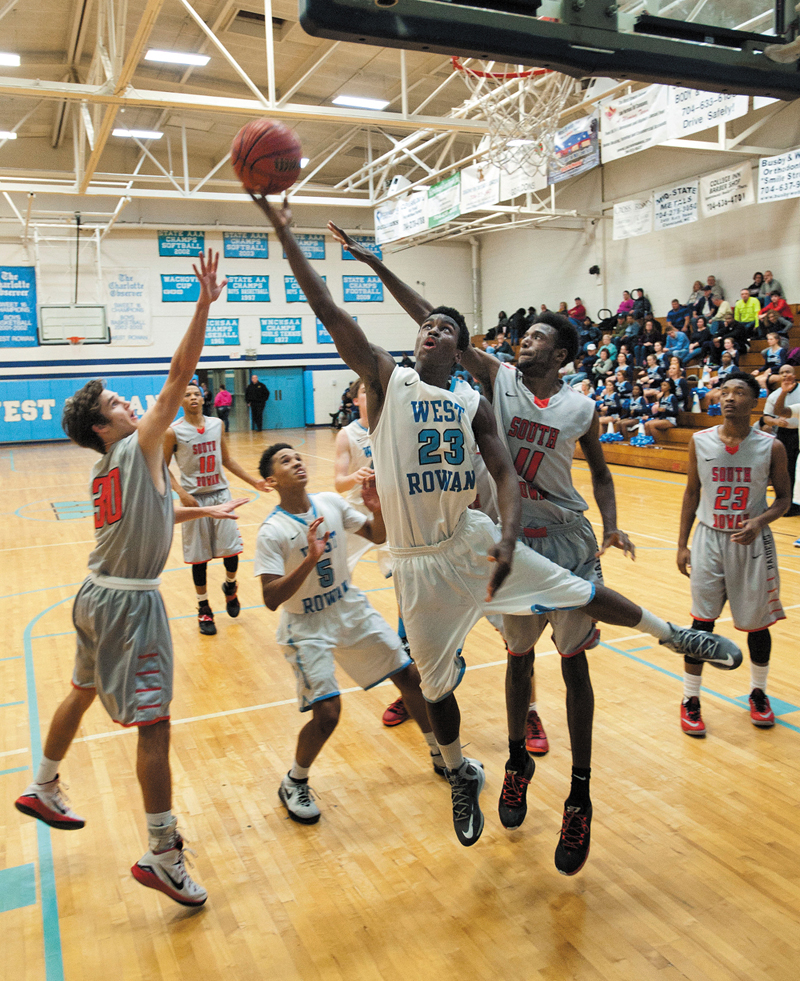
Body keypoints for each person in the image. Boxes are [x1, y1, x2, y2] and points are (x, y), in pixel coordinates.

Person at [257, 202, 745, 860]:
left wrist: (520, 531)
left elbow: (509, 472)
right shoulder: (389, 377)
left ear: (461, 349)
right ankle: (465, 772)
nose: (428, 331)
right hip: (420, 560)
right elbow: (332, 311)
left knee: (574, 594)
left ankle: (670, 636)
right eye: (424, 327)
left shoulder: (478, 397)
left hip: (483, 535)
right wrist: (290, 233)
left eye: (442, 328)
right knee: (441, 688)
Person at [13, 250, 240, 907]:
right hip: (130, 608)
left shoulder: (108, 466)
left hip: (93, 595)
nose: (130, 403)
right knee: (155, 724)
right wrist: (203, 304)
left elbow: (160, 509)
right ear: (101, 424)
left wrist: (209, 507)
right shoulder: (140, 442)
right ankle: (163, 851)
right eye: (117, 401)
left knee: (82, 688)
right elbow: (179, 372)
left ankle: (44, 783)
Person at [254, 442, 444, 825]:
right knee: (327, 713)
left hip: (348, 606)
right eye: (285, 460)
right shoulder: (271, 531)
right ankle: (294, 781)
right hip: (305, 625)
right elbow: (271, 597)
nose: (297, 461)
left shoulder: (330, 503)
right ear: (271, 480)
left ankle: (442, 755)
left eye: (298, 456)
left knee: (408, 676)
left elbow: (376, 535)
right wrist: (310, 560)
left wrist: (377, 509)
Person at [677, 372, 789, 736]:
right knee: (702, 622)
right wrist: (682, 543)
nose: (728, 398)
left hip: (752, 542)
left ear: (754, 401)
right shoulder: (700, 440)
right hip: (709, 538)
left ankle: (759, 693)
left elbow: (785, 500)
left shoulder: (771, 446)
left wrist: (759, 520)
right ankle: (690, 699)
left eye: (738, 392)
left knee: (757, 626)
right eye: (724, 391)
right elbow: (692, 492)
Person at [164, 381, 268, 635]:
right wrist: (181, 493)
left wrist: (253, 480)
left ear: (203, 398)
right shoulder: (173, 432)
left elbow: (227, 459)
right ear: (180, 402)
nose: (192, 398)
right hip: (194, 501)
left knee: (231, 552)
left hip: (221, 495)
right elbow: (162, 467)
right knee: (199, 559)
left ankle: (230, 588)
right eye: (186, 395)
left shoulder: (216, 424)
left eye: (196, 394)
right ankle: (204, 608)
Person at [334, 378, 408, 727]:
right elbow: (338, 481)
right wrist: (355, 477)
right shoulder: (346, 434)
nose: (371, 394)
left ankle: (407, 645)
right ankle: (331, 629)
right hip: (355, 512)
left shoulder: (393, 426)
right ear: (356, 398)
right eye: (365, 390)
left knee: (404, 581)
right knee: (334, 574)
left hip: (389, 511)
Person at [760, 363, 800, 515]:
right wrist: (776, 421)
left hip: (798, 433)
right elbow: (767, 417)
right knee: (785, 469)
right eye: (782, 372)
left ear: (794, 375)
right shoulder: (775, 395)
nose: (784, 375)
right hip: (784, 434)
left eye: (788, 372)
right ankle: (787, 503)